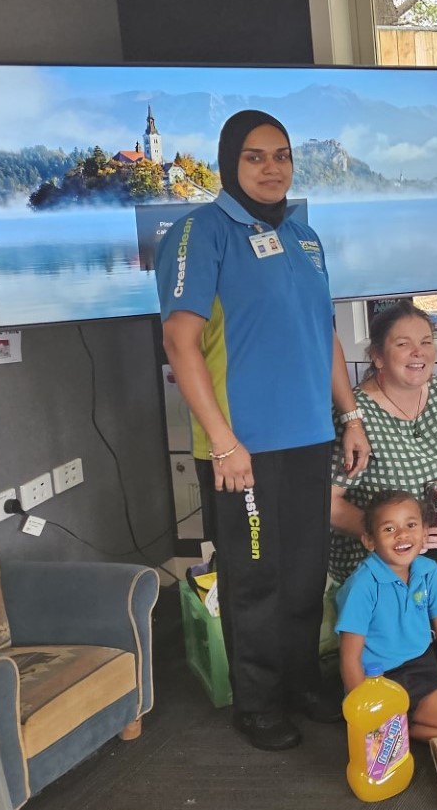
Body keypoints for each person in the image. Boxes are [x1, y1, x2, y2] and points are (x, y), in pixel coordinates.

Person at [157, 110, 369, 751]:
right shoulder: (200, 233)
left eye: (281, 155)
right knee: (254, 577)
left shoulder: (305, 237)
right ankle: (257, 702)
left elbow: (324, 334)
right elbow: (179, 342)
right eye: (255, 156)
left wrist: (350, 414)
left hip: (307, 436)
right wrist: (223, 443)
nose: (272, 168)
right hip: (241, 448)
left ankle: (302, 682)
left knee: (304, 571)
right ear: (230, 163)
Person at [330, 302, 437, 651]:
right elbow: (326, 504)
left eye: (426, 342)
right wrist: (400, 535)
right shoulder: (355, 417)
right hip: (396, 559)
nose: (419, 352)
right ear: (377, 356)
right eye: (403, 344)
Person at [334, 492, 437, 741]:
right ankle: (394, 727)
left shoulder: (428, 570)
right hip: (389, 677)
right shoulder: (362, 586)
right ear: (369, 540)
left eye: (411, 525)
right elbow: (350, 658)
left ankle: (435, 714)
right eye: (389, 529)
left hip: (427, 659)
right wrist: (366, 719)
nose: (402, 535)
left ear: (424, 530)